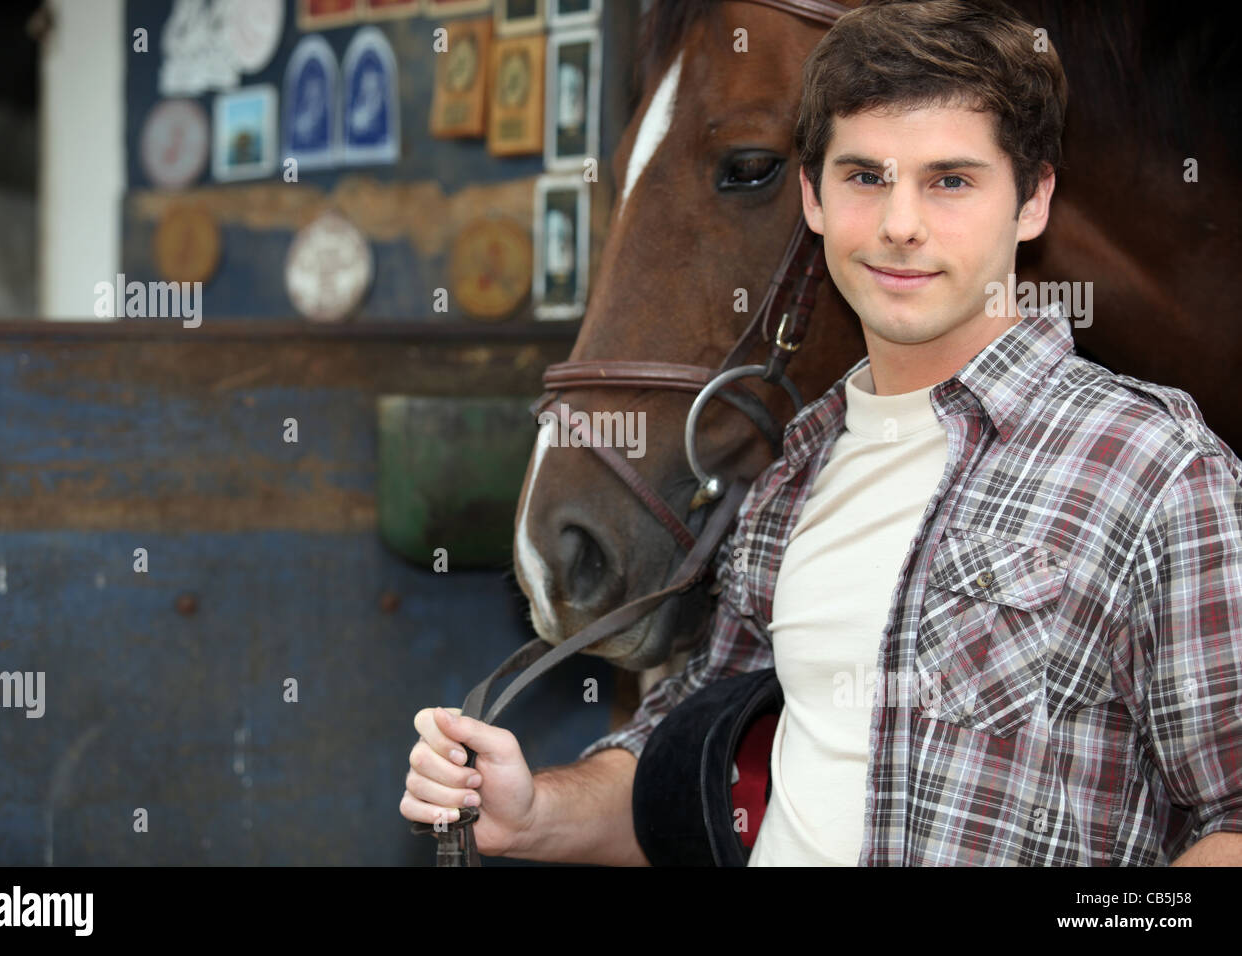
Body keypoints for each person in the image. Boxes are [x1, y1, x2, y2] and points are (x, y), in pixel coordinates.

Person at [399, 0, 1242, 865]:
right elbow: (684, 767)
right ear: (813, 196)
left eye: (950, 180)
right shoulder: (791, 479)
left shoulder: (1158, 470)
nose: (899, 224)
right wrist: (536, 810)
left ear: (1032, 203)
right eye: (864, 177)